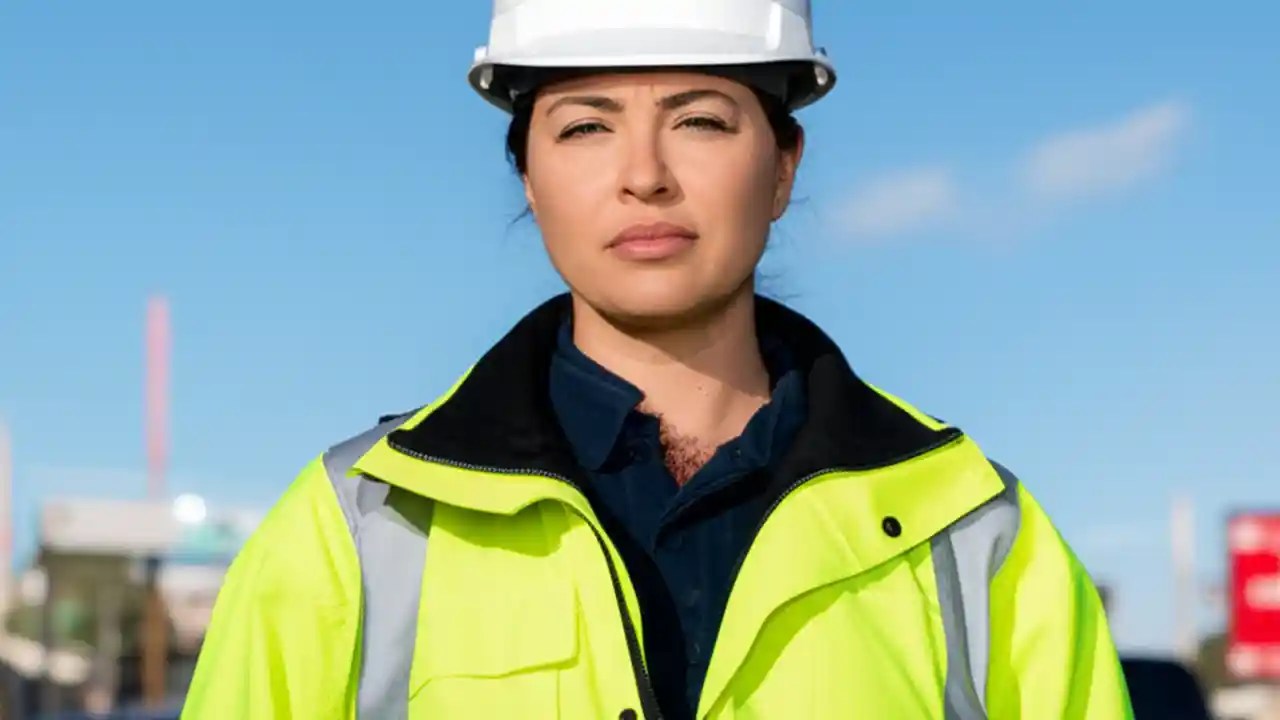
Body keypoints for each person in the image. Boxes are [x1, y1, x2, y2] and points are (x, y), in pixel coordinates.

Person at [182, 2, 1133, 718]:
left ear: (784, 166)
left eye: (701, 120)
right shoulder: (359, 527)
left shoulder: (972, 531)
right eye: (585, 125)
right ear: (528, 175)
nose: (644, 175)